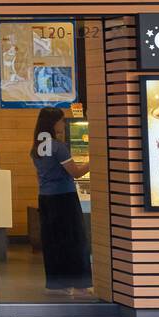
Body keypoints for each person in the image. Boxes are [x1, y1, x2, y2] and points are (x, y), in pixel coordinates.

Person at [31, 107, 93, 295]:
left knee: (53, 241)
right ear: (53, 123)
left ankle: (59, 284)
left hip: (45, 198)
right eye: (61, 120)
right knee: (74, 240)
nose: (62, 124)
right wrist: (93, 160)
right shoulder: (58, 147)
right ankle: (80, 283)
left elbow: (38, 176)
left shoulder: (36, 148)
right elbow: (75, 172)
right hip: (64, 198)